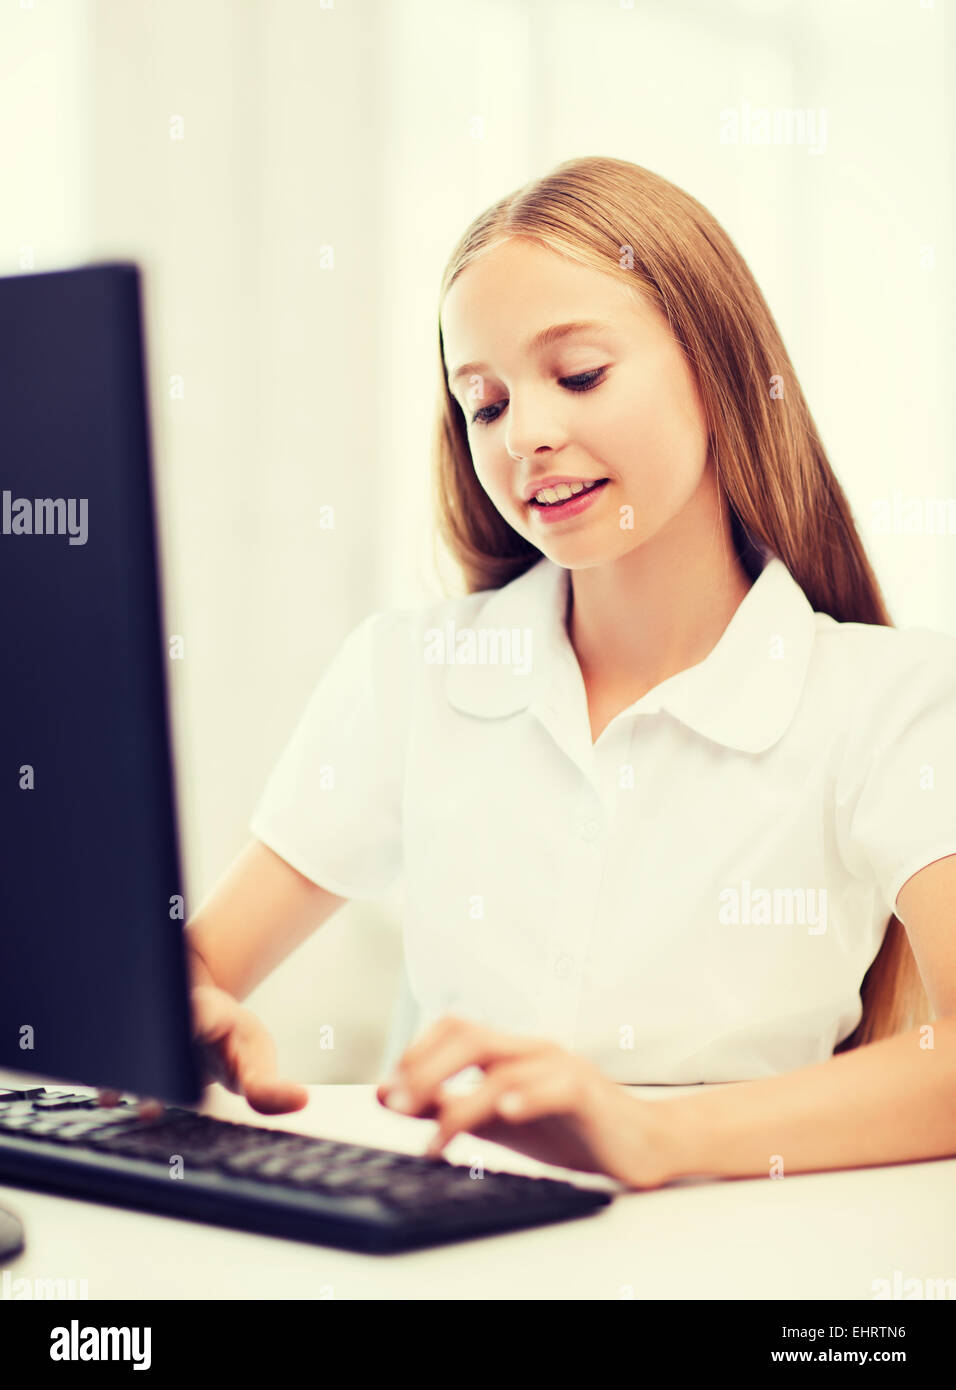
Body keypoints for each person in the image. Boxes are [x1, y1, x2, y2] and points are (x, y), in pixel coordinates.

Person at [185, 156, 956, 1188]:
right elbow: (193, 970)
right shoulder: (409, 673)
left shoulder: (890, 697)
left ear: (720, 371)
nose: (527, 435)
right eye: (484, 402)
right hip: (456, 1247)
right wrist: (185, 1021)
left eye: (578, 374)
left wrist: (653, 1138)